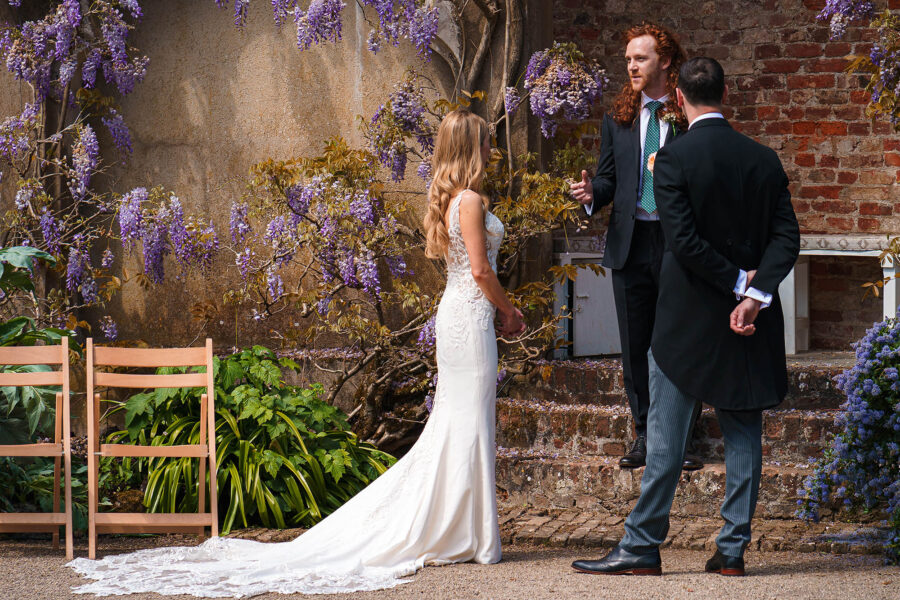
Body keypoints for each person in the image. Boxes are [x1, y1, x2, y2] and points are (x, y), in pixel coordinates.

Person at [68, 109, 525, 596]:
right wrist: (510, 310)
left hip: (460, 316)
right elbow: (480, 271)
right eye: (486, 141)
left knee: (461, 420)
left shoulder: (454, 200)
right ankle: (470, 533)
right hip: (469, 317)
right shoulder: (469, 200)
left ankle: (464, 529)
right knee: (466, 419)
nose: (491, 149)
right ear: (469, 147)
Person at [571, 57, 799, 577]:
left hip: (685, 318)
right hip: (749, 318)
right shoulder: (763, 158)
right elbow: (787, 237)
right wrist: (754, 292)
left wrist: (736, 282)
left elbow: (684, 242)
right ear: (725, 95)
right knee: (743, 431)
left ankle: (642, 544)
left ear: (679, 98)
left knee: (665, 437)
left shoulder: (671, 159)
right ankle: (732, 550)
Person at [569, 23, 703, 471]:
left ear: (665, 61)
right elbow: (609, 179)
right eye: (628, 59)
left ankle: (681, 438)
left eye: (640, 58)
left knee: (679, 341)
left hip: (677, 243)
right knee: (635, 346)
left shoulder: (689, 115)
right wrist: (593, 192)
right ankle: (645, 434)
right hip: (630, 244)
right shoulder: (619, 120)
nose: (631, 66)